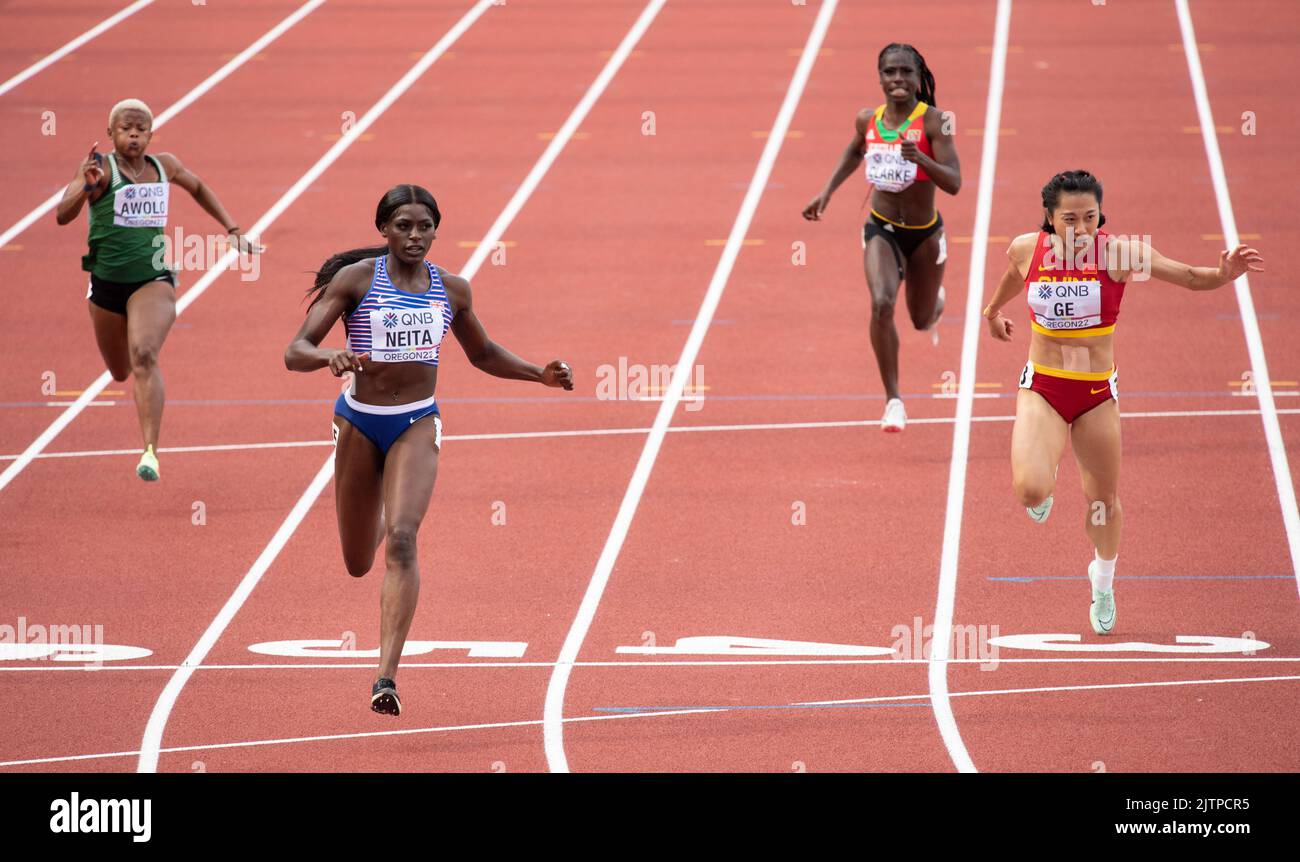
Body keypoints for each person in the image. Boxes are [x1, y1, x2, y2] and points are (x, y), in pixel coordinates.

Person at [284, 184, 574, 716]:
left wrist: (540, 376)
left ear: (436, 229)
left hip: (416, 421)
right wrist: (328, 357)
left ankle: (385, 677)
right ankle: (372, 512)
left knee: (402, 538)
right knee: (356, 561)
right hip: (358, 423)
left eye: (424, 227)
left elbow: (482, 353)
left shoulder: (453, 290)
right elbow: (293, 351)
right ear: (384, 231)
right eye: (403, 226)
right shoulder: (356, 281)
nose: (415, 236)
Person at [981, 169, 1263, 635]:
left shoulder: (1119, 254)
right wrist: (992, 312)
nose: (1081, 228)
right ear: (1049, 218)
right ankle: (1043, 471)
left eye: (1089, 217)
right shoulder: (1026, 248)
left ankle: (1103, 581)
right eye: (1069, 218)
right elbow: (1014, 276)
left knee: (1102, 503)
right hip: (1045, 389)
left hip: (1094, 396)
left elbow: (1190, 277)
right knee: (1031, 490)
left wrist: (1223, 274)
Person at [55, 98, 259, 480]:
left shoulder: (164, 166)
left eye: (141, 129)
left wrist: (232, 229)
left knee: (145, 355)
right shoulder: (99, 170)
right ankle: (138, 406)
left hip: (154, 278)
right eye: (125, 129)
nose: (133, 135)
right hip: (105, 285)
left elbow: (198, 187)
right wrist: (84, 188)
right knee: (119, 371)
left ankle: (150, 451)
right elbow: (62, 215)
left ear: (150, 133)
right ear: (111, 134)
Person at [803, 43, 961, 432]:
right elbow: (854, 152)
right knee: (881, 303)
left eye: (906, 72)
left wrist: (920, 158)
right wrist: (827, 192)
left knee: (921, 319)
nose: (898, 80)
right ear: (879, 77)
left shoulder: (936, 122)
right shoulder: (867, 120)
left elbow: (955, 182)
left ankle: (934, 302)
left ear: (917, 75)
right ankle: (893, 401)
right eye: (890, 72)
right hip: (882, 228)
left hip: (925, 234)